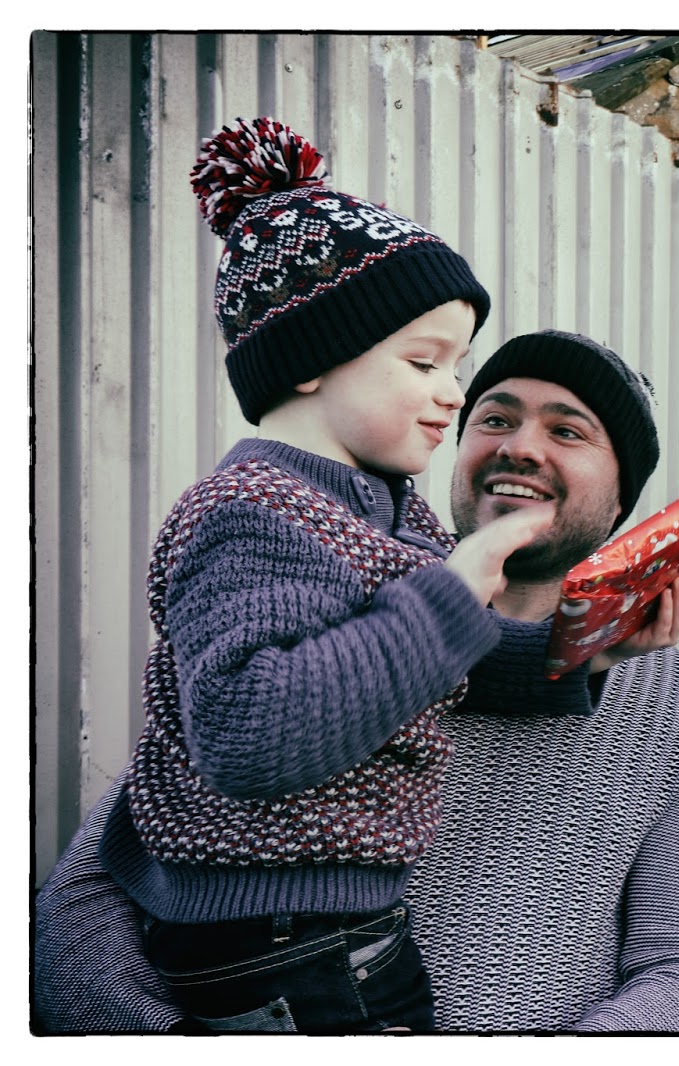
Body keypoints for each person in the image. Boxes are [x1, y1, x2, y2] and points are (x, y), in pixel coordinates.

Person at [34, 328, 679, 1033]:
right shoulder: (332, 624)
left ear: (622, 496)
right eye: (495, 419)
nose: (519, 446)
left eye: (567, 431)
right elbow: (86, 896)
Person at [89, 116, 586, 1034]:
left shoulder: (392, 509)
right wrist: (452, 593)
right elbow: (247, 733)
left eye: (458, 365)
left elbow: (436, 670)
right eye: (424, 361)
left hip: (335, 926)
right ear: (314, 358)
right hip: (274, 941)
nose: (453, 392)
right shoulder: (252, 511)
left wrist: (587, 648)